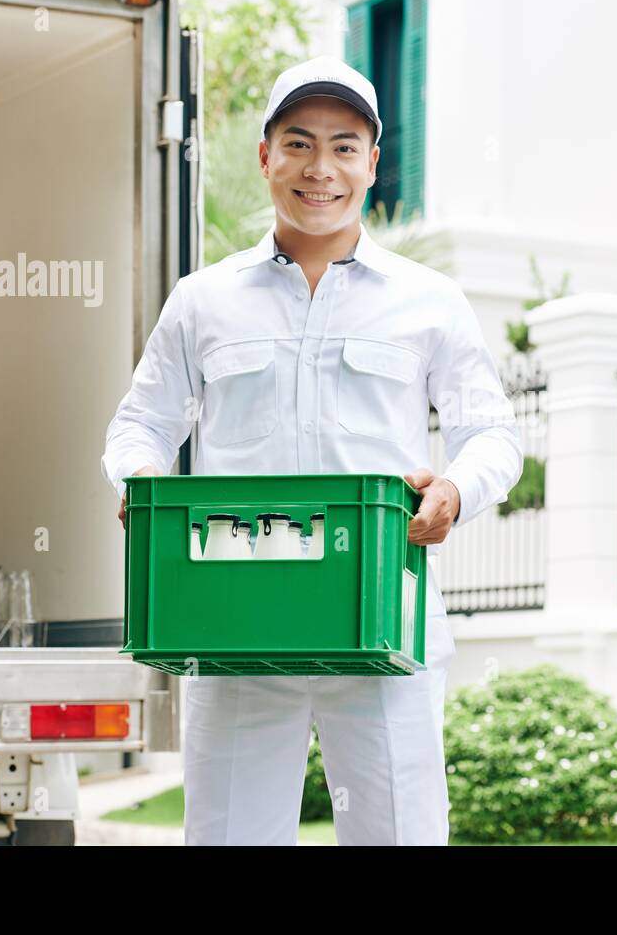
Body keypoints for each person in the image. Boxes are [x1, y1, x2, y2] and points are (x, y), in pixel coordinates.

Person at [100, 55, 523, 845]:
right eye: (298, 143)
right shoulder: (204, 300)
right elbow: (139, 427)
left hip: (386, 626)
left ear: (371, 161)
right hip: (234, 631)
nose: (319, 168)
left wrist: (455, 493)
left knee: (397, 834)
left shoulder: (430, 301)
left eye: (342, 145)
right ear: (265, 158)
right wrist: (146, 481)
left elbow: (490, 432)